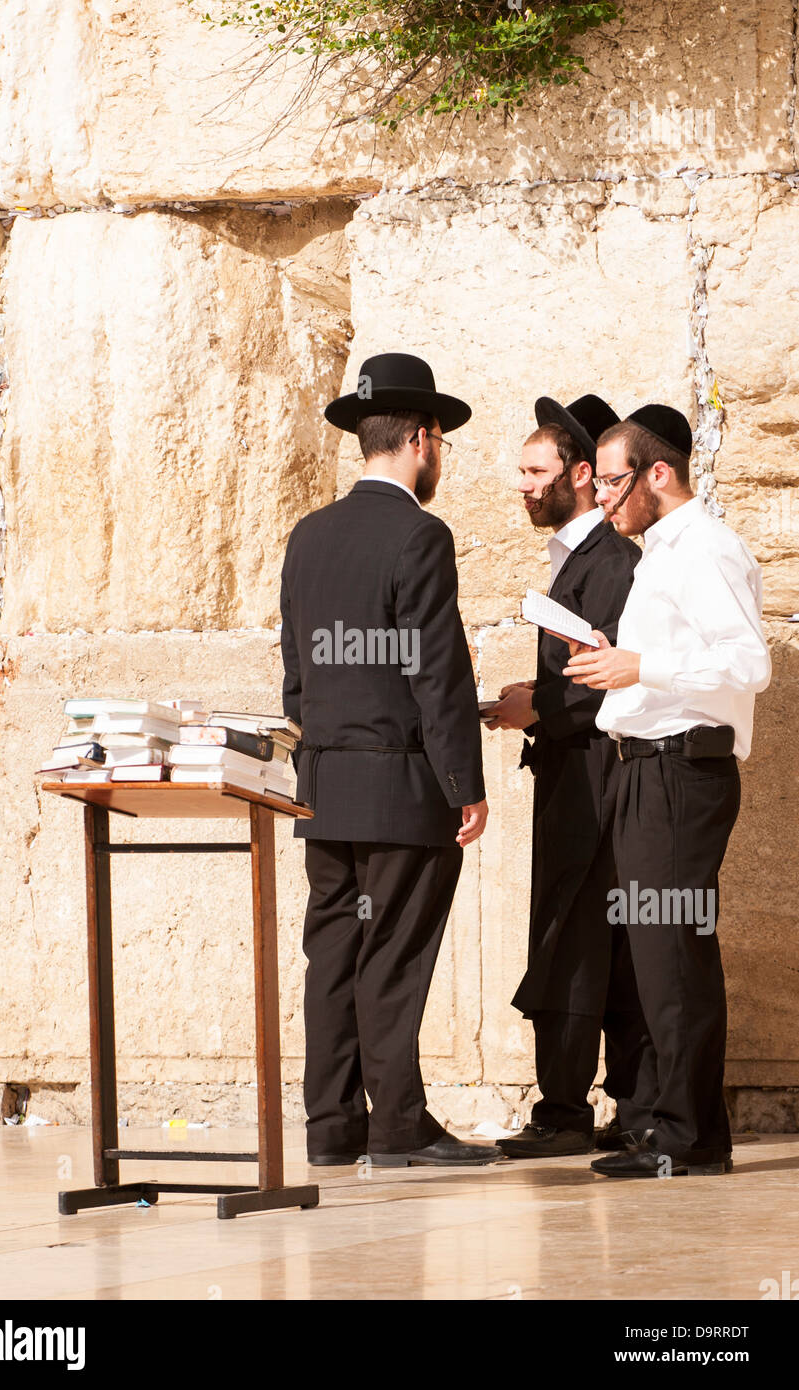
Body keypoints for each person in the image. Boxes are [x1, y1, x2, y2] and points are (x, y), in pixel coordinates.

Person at [280, 352, 501, 1168]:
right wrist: (461, 784)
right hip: (403, 791)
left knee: (334, 953)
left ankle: (332, 1128)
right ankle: (400, 1126)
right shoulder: (419, 533)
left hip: (324, 789)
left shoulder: (308, 536)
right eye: (439, 442)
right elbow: (435, 670)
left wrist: (330, 745)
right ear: (420, 438)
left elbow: (296, 678)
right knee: (394, 958)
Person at [562, 403, 771, 1177]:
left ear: (658, 473)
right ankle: (671, 1126)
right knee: (655, 955)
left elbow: (749, 665)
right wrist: (621, 661)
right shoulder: (661, 552)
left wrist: (640, 668)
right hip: (647, 769)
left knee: (674, 956)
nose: (603, 499)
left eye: (613, 482)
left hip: (681, 772)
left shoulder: (704, 548)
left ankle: (689, 1139)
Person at [485, 395, 652, 1158]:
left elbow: (610, 675)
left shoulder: (609, 562)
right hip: (573, 781)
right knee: (586, 937)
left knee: (584, 938)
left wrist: (536, 705)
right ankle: (613, 1106)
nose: (522, 484)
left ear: (580, 474)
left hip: (598, 786)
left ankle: (579, 1112)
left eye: (535, 470)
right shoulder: (578, 560)